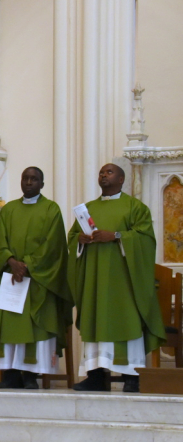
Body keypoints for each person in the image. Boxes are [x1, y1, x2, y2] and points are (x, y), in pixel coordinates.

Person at [68, 163, 165, 393]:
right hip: (94, 279)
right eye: (101, 172)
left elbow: (146, 239)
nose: (103, 175)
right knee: (95, 317)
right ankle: (96, 376)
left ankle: (131, 375)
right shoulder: (87, 209)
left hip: (124, 280)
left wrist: (116, 236)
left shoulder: (135, 207)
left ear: (122, 179)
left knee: (127, 320)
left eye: (109, 172)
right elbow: (72, 238)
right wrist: (79, 240)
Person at [0, 167, 73, 390]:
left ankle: (30, 375)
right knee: (11, 324)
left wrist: (27, 264)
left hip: (39, 280)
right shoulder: (8, 210)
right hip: (12, 278)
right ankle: (10, 374)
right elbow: (1, 242)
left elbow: (53, 245)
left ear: (42, 184)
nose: (28, 182)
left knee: (36, 323)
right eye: (25, 178)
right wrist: (11, 261)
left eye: (34, 179)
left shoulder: (51, 209)